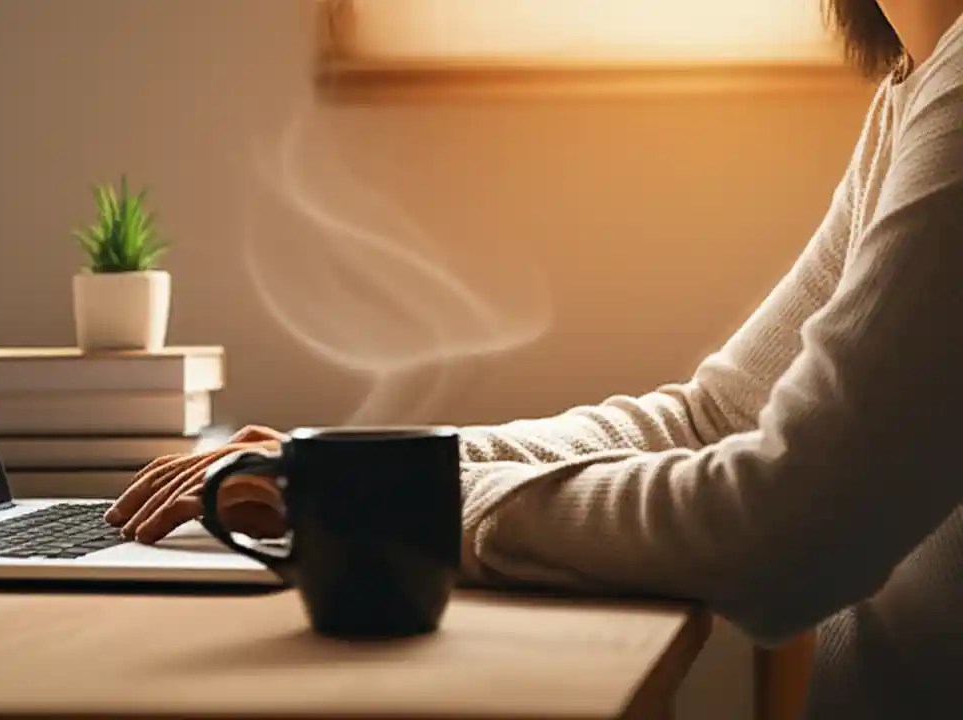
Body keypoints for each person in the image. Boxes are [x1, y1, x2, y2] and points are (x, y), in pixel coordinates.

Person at [106, 1, 963, 717]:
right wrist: (349, 472)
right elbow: (713, 418)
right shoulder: (919, 84)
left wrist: (404, 509)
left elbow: (785, 528)